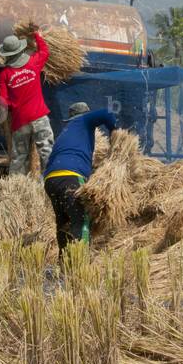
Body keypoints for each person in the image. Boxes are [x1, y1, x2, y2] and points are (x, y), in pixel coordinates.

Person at [43, 102, 117, 257]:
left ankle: (64, 263)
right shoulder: (83, 121)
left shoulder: (66, 132)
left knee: (63, 223)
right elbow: (106, 112)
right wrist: (115, 134)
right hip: (70, 176)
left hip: (51, 180)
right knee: (81, 220)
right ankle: (80, 263)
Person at [0, 25, 54, 175]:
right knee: (47, 152)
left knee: (19, 158)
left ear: (7, 54)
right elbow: (45, 52)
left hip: (20, 121)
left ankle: (15, 188)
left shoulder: (4, 74)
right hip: (39, 117)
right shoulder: (33, 63)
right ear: (20, 50)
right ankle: (47, 183)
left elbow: (3, 101)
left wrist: (13, 105)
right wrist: (38, 35)